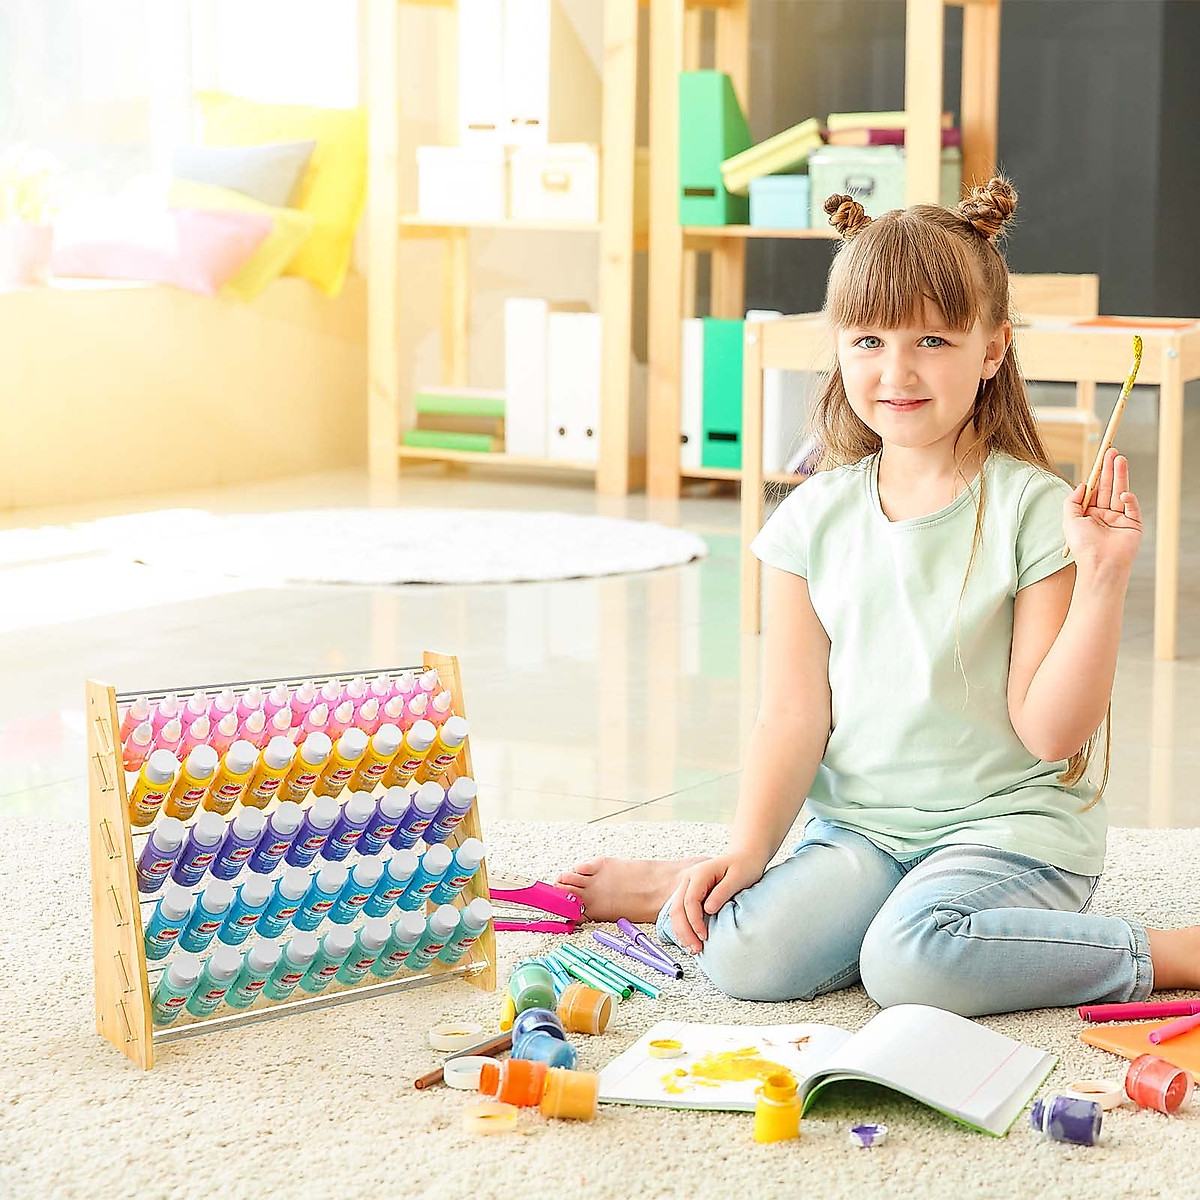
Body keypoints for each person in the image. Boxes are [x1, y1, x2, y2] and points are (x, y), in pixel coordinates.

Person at [556, 178, 1200, 1016]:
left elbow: (1050, 732)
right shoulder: (812, 518)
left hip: (1005, 833)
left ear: (994, 347)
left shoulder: (1035, 509)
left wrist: (1104, 580)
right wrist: (748, 853)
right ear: (839, 347)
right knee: (746, 959)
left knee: (910, 965)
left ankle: (1178, 952)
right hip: (863, 830)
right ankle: (689, 882)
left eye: (933, 338)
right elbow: (793, 717)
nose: (897, 370)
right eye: (868, 340)